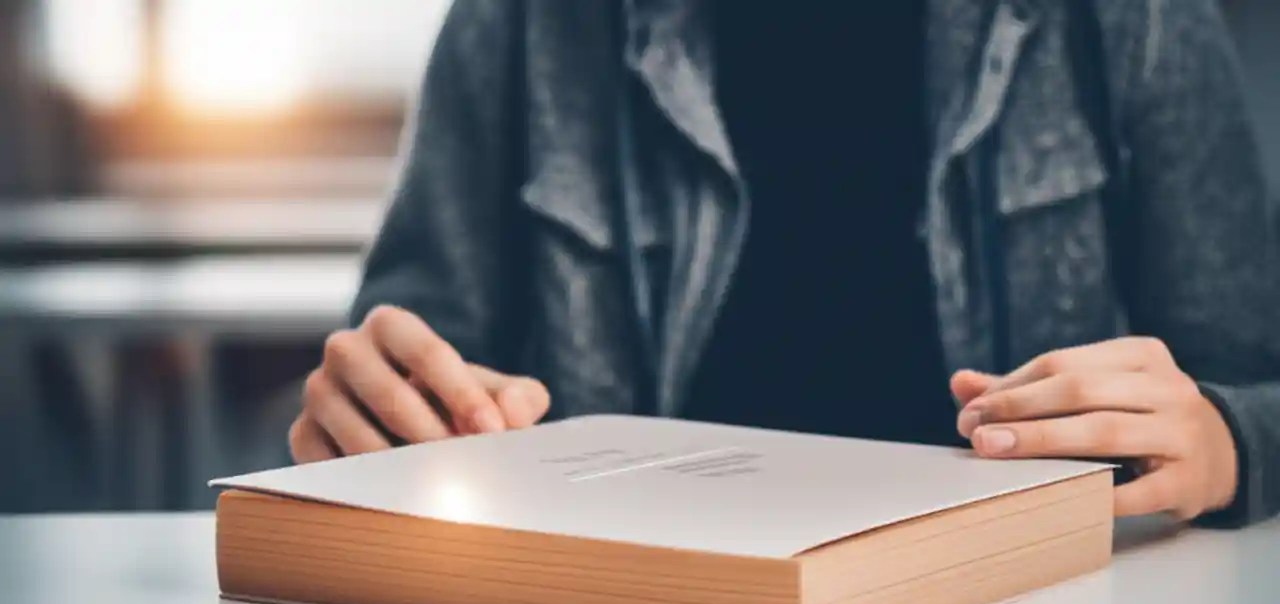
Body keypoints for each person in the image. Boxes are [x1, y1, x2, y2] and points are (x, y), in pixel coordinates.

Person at [290, 0, 1279, 528]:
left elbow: (1254, 382)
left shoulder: (1126, 17)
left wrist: (1229, 440)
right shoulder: (524, 23)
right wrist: (386, 416)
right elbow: (408, 375)